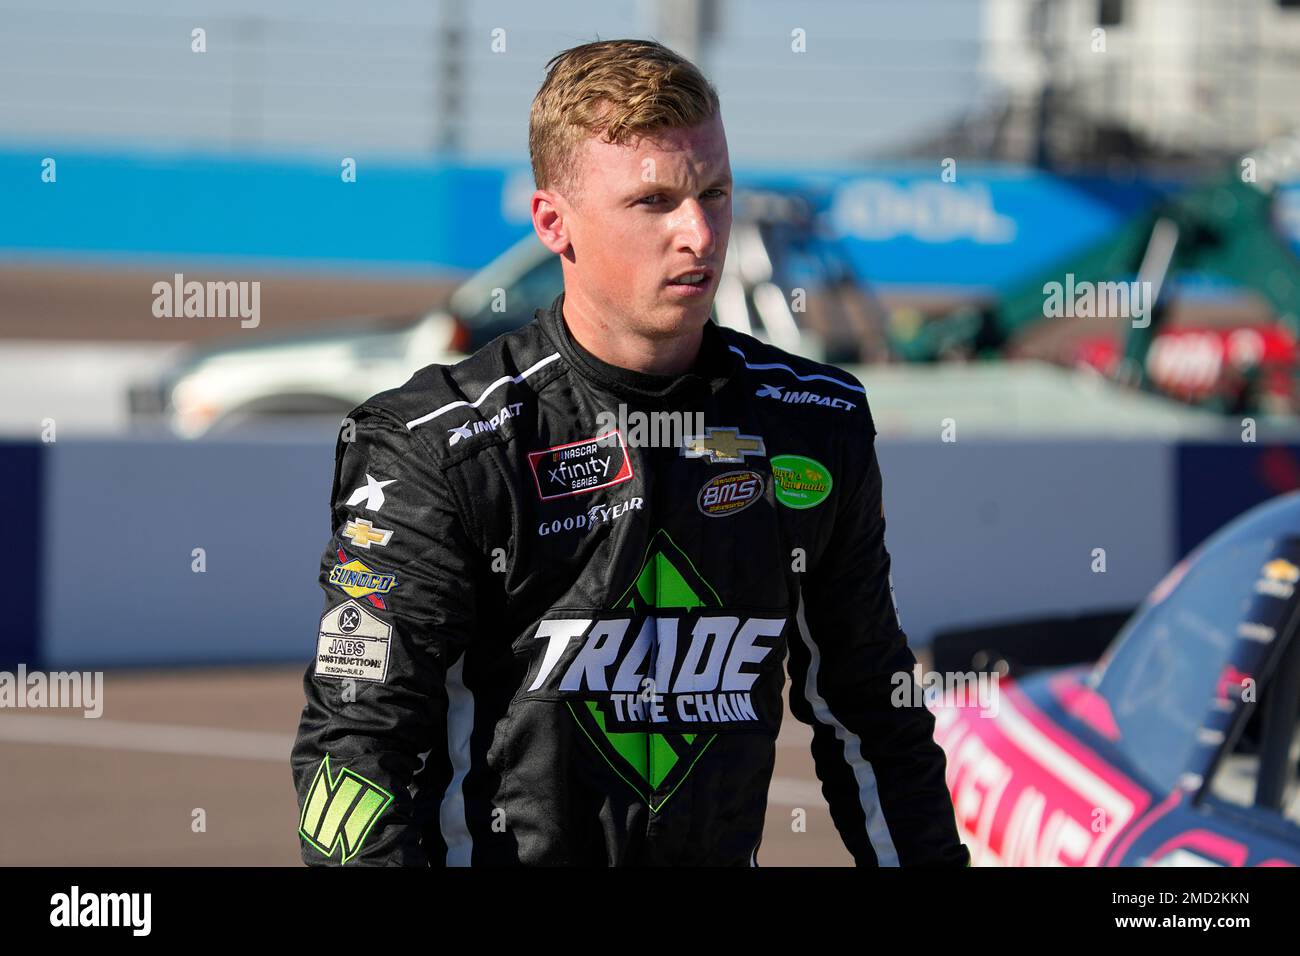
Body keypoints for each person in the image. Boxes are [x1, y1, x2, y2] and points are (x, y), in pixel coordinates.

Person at [290, 37, 969, 867]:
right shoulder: (436, 446)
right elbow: (358, 748)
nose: (698, 233)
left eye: (715, 193)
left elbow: (874, 714)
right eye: (653, 201)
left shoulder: (811, 423)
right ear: (555, 224)